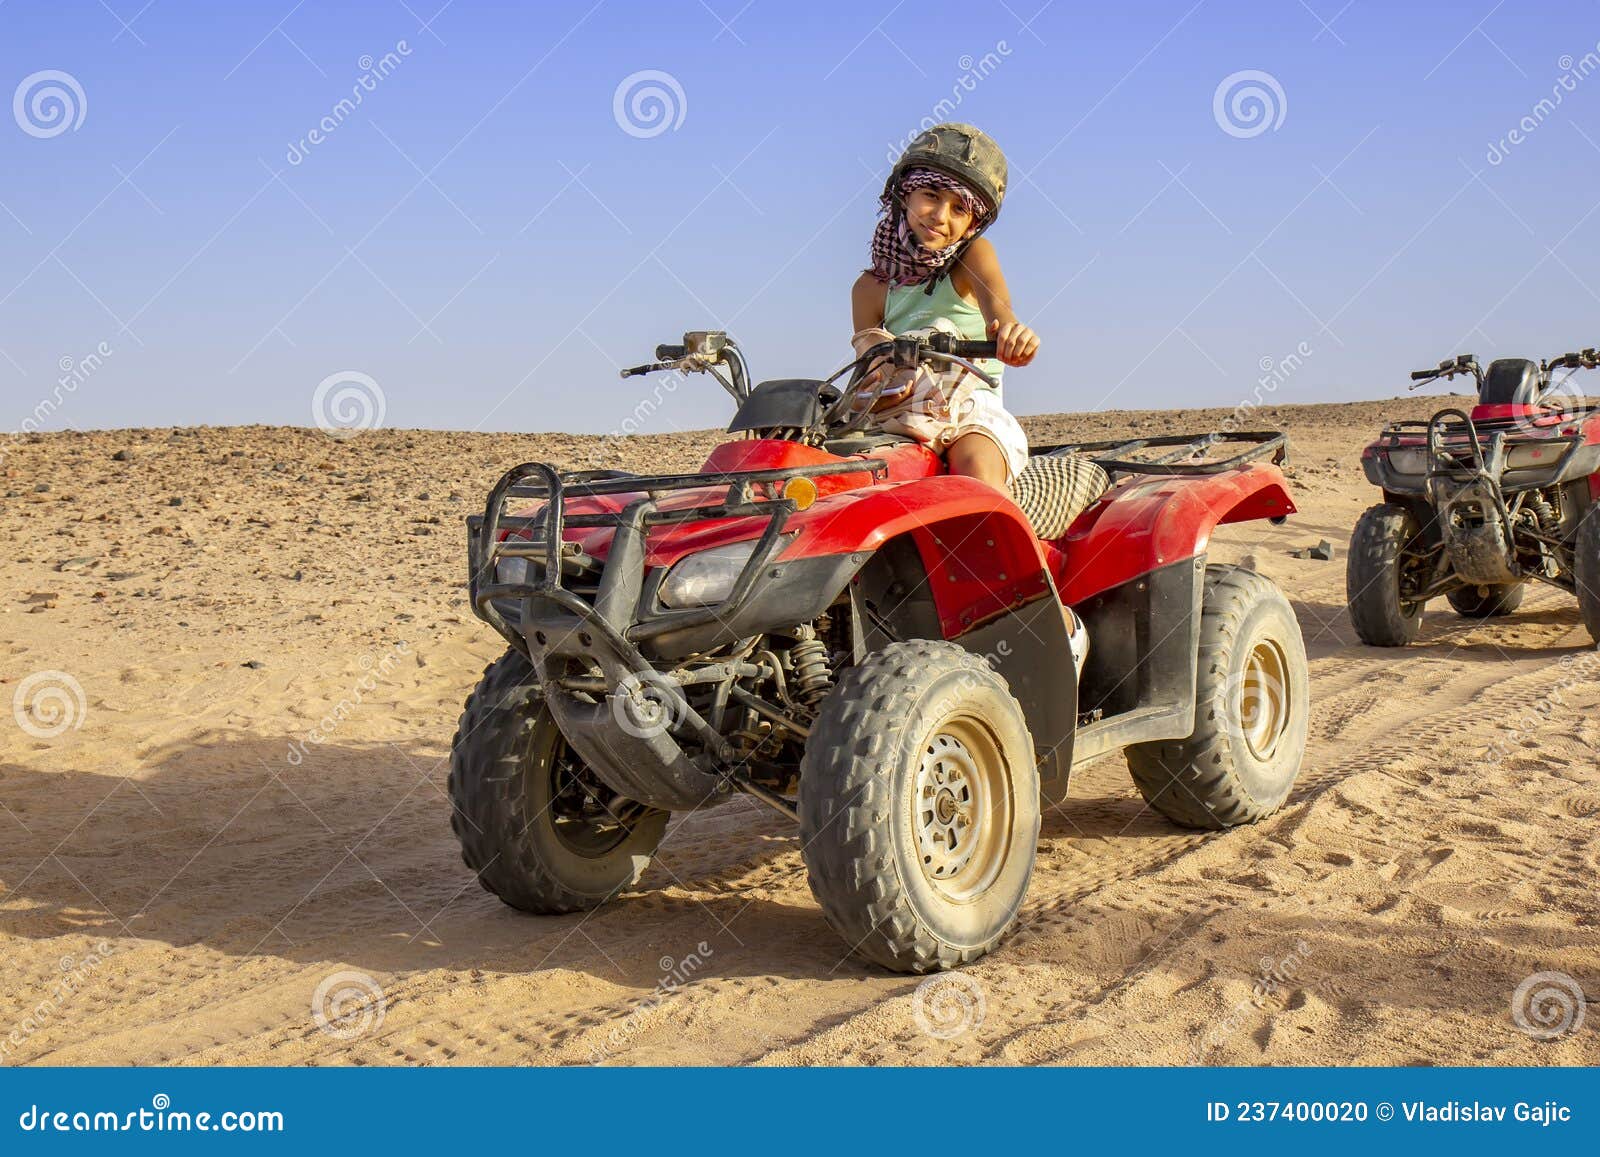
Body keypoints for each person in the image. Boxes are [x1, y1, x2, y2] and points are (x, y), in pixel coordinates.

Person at [849, 122, 1037, 491]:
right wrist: (878, 375)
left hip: (969, 413)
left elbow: (1000, 311)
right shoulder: (869, 289)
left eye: (958, 209)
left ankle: (993, 543)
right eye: (931, 195)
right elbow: (868, 360)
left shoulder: (971, 258)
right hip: (898, 415)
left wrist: (1013, 335)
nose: (940, 216)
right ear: (905, 195)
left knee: (975, 471)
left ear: (972, 225)